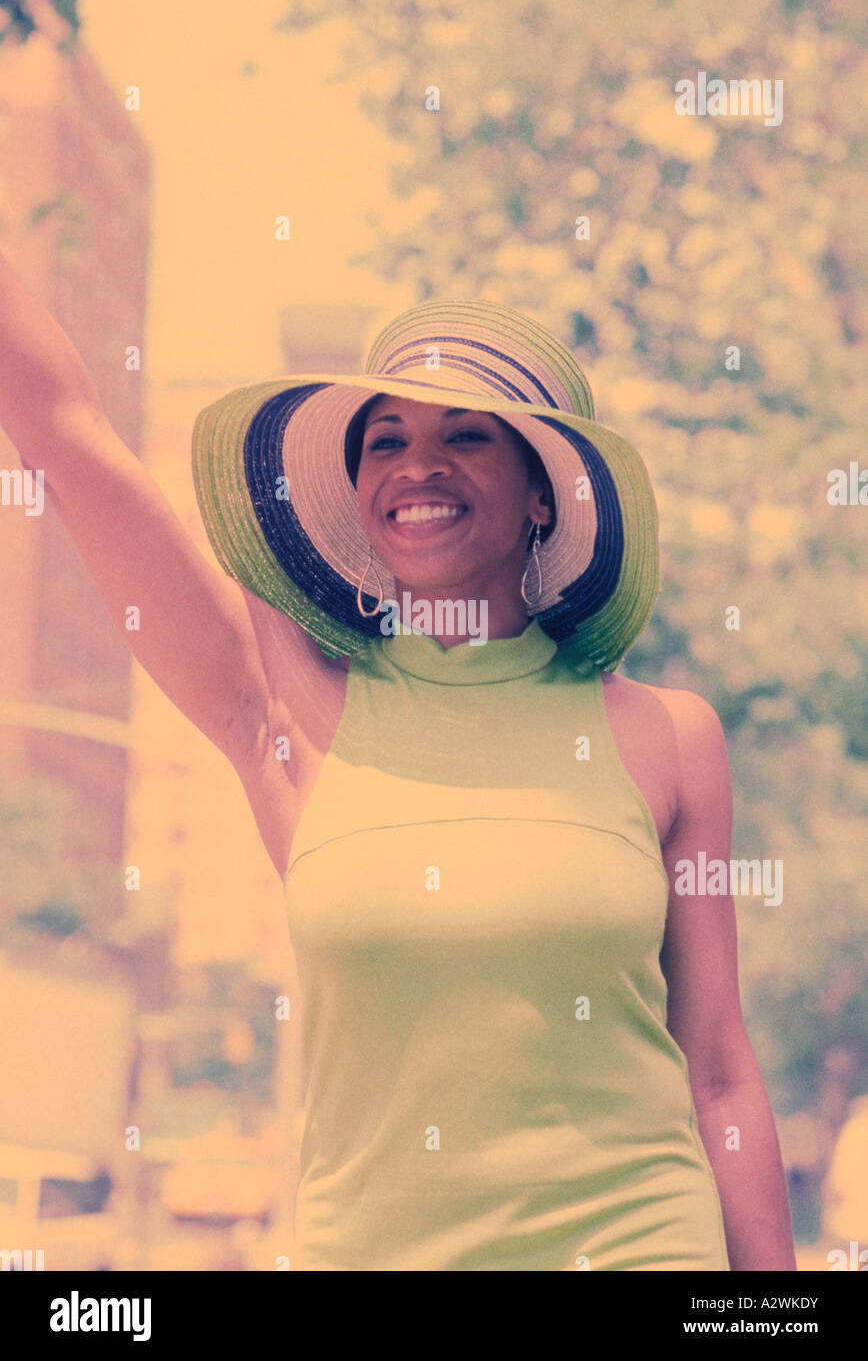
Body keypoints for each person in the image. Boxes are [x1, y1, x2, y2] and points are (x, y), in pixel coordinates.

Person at [0, 261, 796, 1270]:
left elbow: (719, 1069)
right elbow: (68, 439)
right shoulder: (288, 714)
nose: (416, 465)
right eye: (386, 441)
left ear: (543, 497)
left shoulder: (668, 737)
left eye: (464, 434)